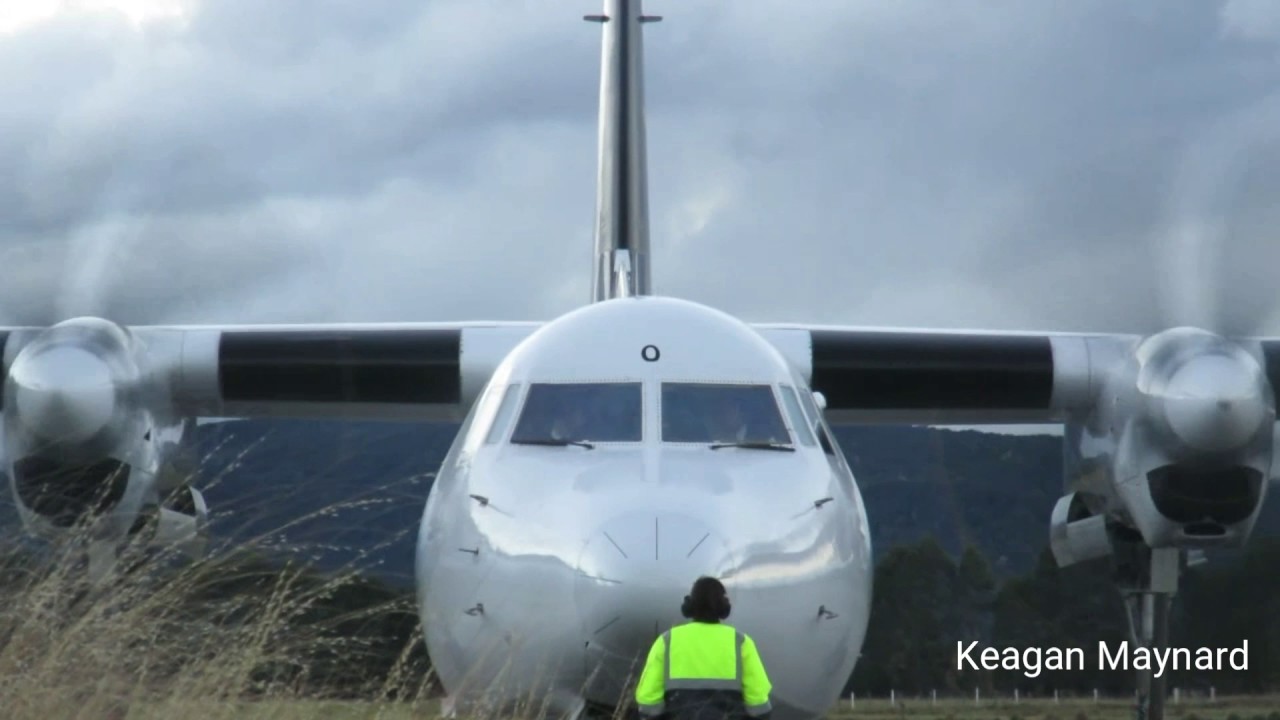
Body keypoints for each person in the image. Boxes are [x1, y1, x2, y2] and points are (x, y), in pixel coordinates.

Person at [634, 577, 772, 720]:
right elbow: (759, 704)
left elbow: (648, 700)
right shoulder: (741, 642)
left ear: (689, 604)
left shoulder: (666, 641)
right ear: (724, 606)